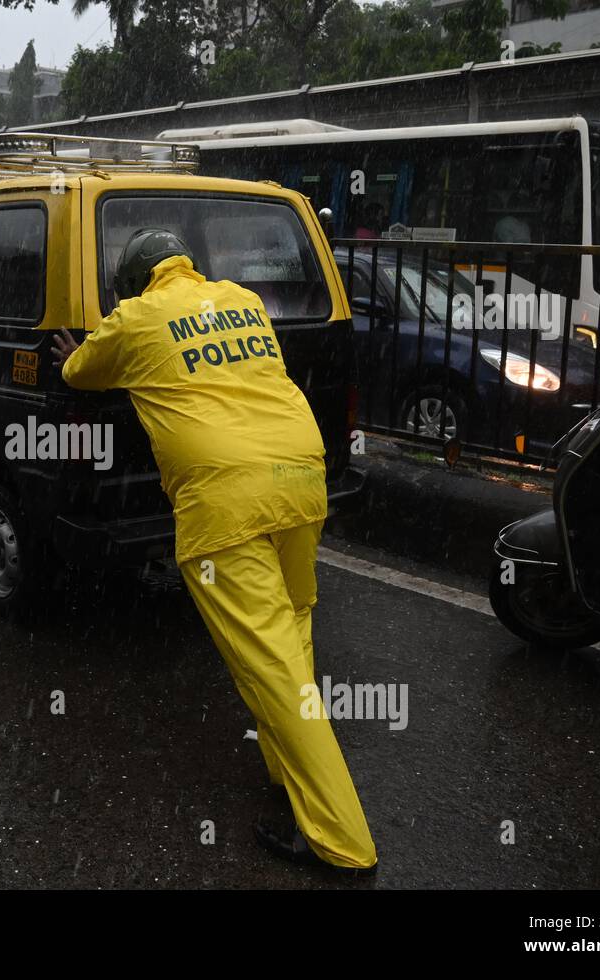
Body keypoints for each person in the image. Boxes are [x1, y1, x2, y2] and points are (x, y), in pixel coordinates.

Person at [51, 228, 378, 874]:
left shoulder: (135, 317)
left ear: (136, 280)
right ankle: (290, 776)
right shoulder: (241, 298)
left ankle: (341, 842)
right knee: (294, 634)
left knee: (272, 669)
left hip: (227, 501)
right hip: (301, 478)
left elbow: (79, 372)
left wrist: (74, 350)